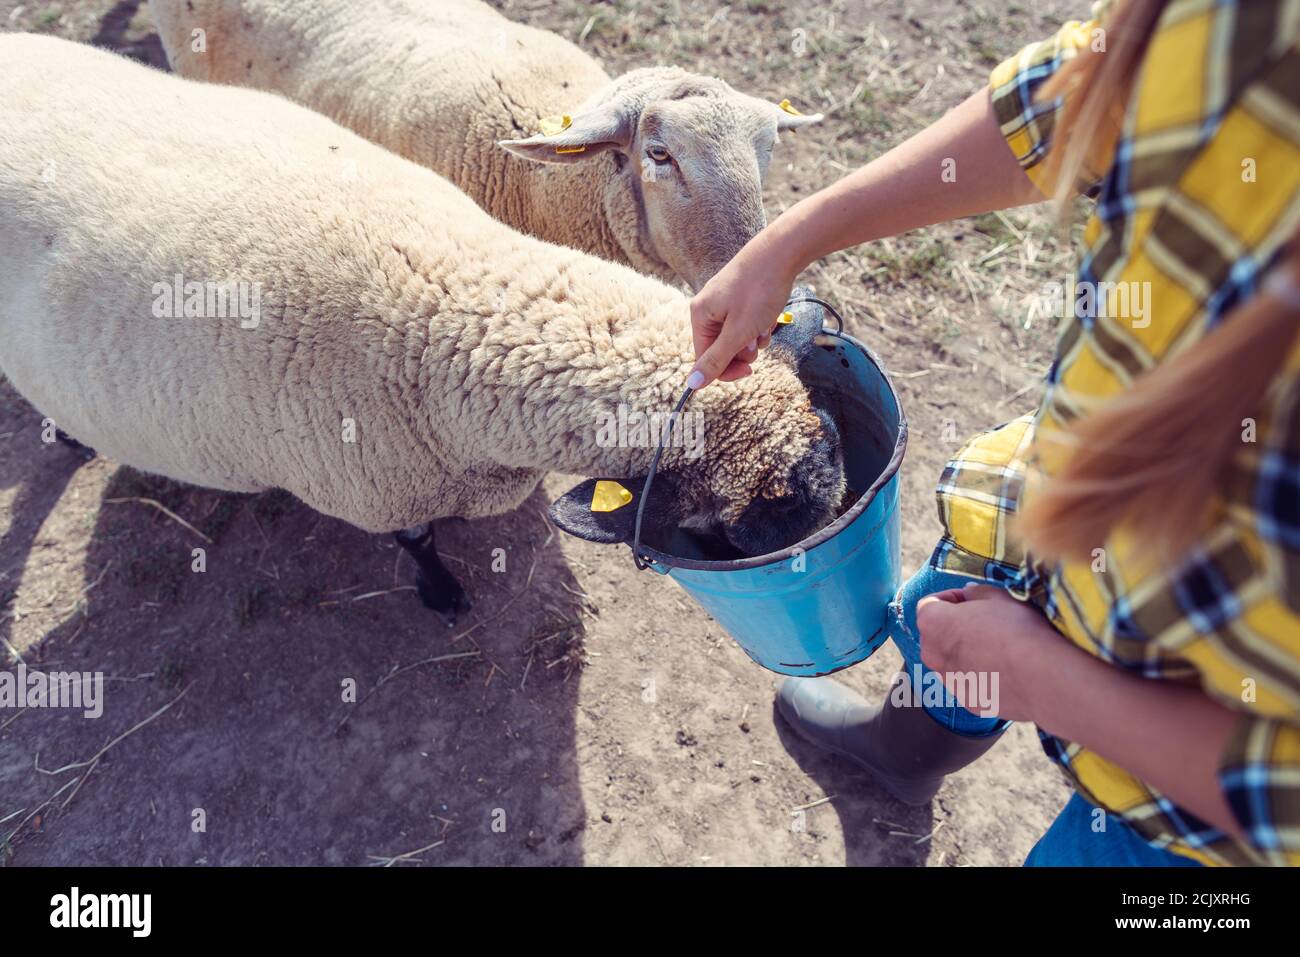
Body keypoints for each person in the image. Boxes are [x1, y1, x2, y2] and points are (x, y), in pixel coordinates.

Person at [687, 0, 1300, 866]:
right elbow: (1072, 96)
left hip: (1185, 832)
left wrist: (1054, 682)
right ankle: (903, 754)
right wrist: (786, 246)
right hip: (1052, 507)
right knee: (946, 614)